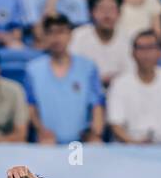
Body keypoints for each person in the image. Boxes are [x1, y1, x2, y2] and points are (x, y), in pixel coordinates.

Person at [24, 13, 105, 144]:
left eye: (61, 32)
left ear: (70, 35)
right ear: (44, 36)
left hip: (79, 142)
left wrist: (95, 132)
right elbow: (31, 106)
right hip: (47, 141)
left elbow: (97, 105)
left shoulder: (88, 67)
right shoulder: (33, 69)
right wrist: (40, 130)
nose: (56, 38)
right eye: (51, 32)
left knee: (96, 145)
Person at [69, 0, 132, 89]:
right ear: (91, 13)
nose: (107, 14)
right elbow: (72, 72)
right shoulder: (78, 36)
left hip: (119, 91)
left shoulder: (128, 38)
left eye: (112, 8)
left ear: (119, 13)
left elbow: (131, 74)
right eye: (101, 8)